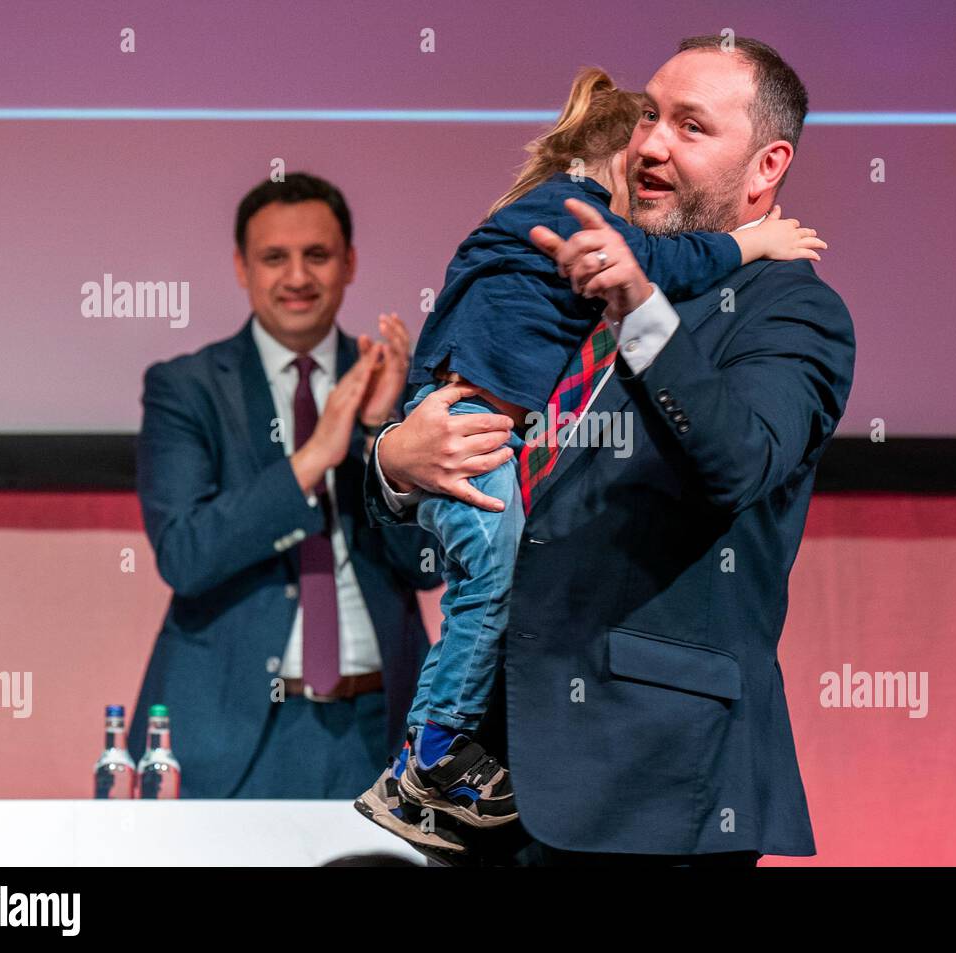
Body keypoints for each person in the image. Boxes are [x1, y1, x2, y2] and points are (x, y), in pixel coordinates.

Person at [364, 35, 856, 866]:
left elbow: (738, 461)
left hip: (650, 789)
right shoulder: (557, 283)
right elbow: (420, 562)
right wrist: (397, 469)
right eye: (650, 116)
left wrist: (640, 310)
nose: (652, 143)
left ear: (767, 165)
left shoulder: (790, 312)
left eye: (690, 127)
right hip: (488, 793)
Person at [128, 172, 441, 798]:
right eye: (275, 258)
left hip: (378, 727)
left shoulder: (394, 384)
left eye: (317, 255)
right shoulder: (187, 388)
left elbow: (428, 565)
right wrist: (311, 461)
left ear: (349, 263)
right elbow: (186, 556)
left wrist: (383, 437)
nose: (297, 277)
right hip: (232, 732)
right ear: (242, 268)